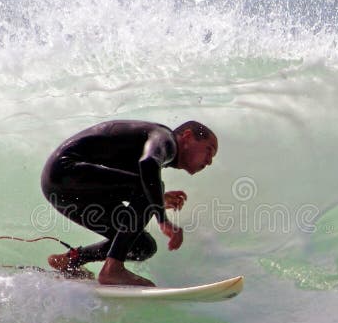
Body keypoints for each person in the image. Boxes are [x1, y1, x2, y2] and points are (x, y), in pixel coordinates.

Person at [40, 119, 218, 286]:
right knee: (148, 187)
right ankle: (113, 269)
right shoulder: (165, 139)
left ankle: (71, 260)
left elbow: (123, 181)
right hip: (65, 170)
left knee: (142, 246)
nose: (209, 161)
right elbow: (148, 164)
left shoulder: (150, 146)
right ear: (187, 136)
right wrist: (163, 219)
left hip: (61, 188)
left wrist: (158, 198)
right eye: (209, 150)